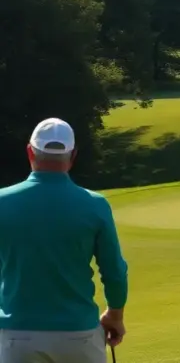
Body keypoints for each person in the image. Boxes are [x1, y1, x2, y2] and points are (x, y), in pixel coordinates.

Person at [0, 118, 129, 363]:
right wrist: (115, 315)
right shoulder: (95, 205)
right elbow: (114, 271)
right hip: (78, 334)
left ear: (30, 151)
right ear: (73, 156)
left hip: (17, 336)